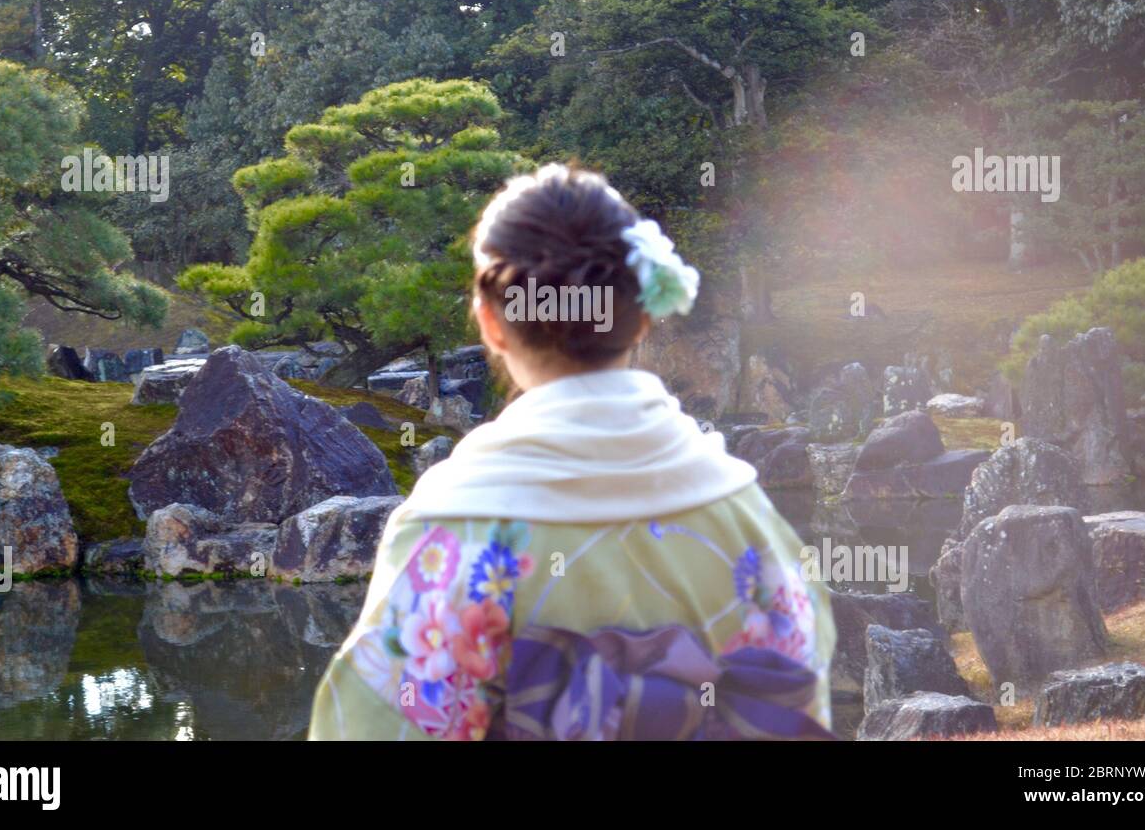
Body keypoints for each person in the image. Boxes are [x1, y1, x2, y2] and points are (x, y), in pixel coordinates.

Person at [309, 163, 835, 740]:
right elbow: (800, 701)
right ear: (644, 317)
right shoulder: (742, 513)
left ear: (491, 323)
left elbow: (373, 725)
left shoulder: (451, 531)